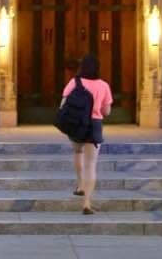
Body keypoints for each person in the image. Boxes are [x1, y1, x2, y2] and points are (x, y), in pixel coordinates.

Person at [60, 54, 113, 215]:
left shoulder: (74, 82)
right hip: (94, 125)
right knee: (91, 165)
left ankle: (80, 185)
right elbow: (107, 111)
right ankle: (87, 204)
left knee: (77, 151)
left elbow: (63, 104)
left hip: (76, 124)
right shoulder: (104, 85)